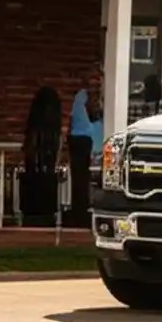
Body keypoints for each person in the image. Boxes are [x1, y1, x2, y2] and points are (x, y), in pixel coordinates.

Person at [69, 66, 103, 222]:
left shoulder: (80, 98)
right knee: (83, 178)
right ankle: (81, 211)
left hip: (82, 138)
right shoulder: (84, 97)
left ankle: (79, 210)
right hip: (85, 140)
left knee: (80, 179)